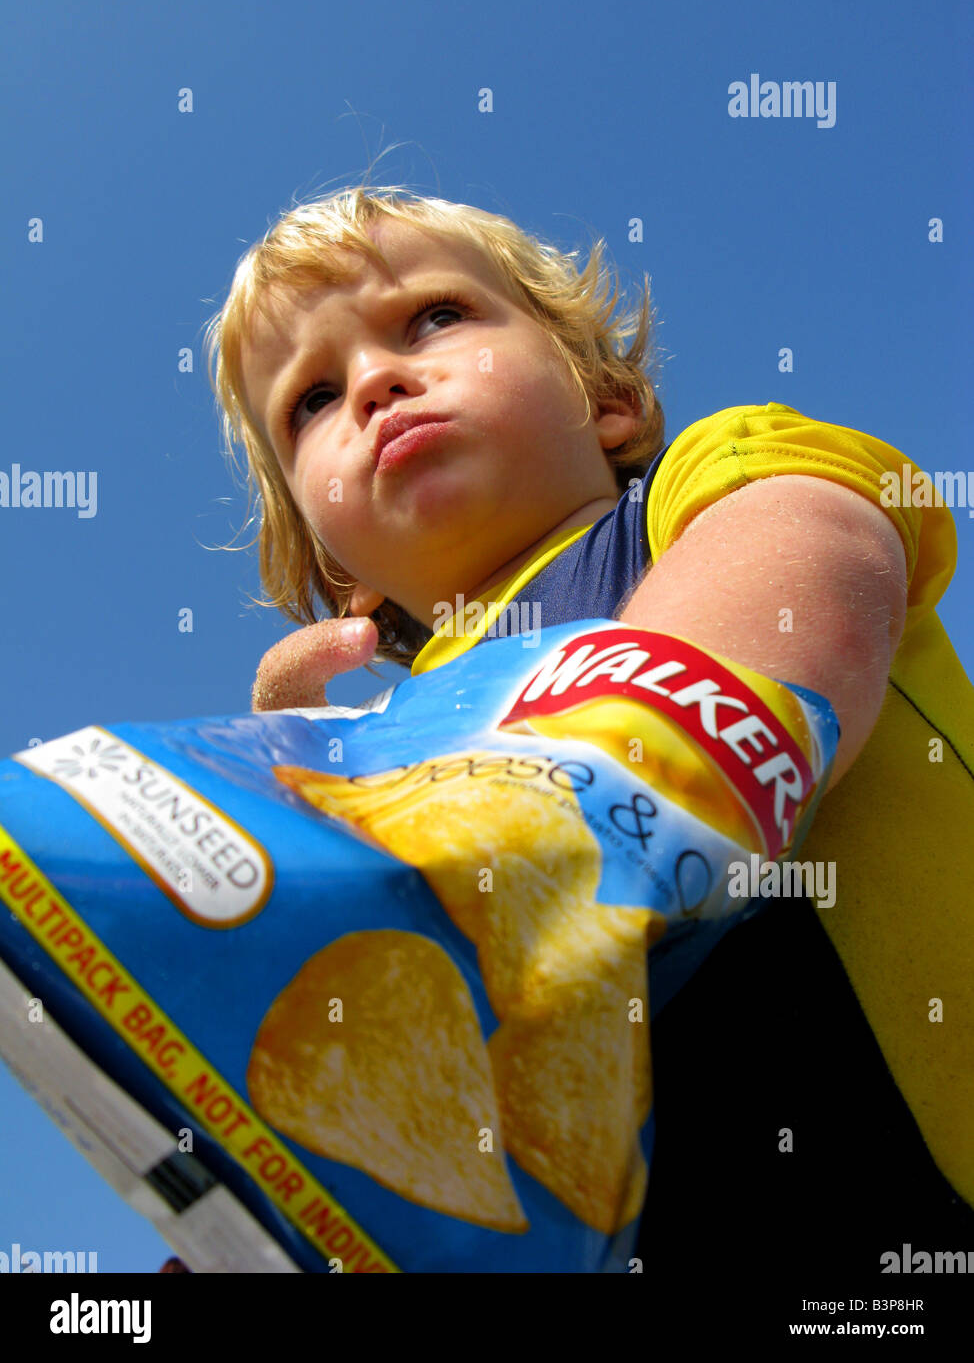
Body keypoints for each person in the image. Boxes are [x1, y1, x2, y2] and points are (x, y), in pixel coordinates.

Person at [204, 185, 974, 1286]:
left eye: (432, 319)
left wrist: (574, 772)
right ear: (338, 569)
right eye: (312, 397)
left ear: (606, 400)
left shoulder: (693, 492)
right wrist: (281, 786)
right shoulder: (384, 731)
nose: (374, 381)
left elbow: (805, 545)